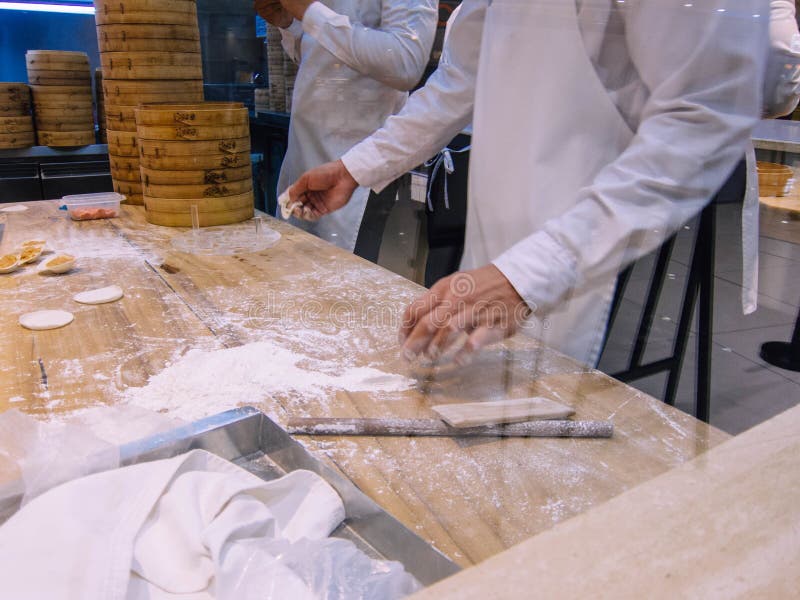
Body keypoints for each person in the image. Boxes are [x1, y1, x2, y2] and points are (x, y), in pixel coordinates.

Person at [285, 0, 769, 367]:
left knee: (550, 411)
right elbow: (457, 83)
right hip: (501, 232)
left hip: (595, 235)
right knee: (485, 398)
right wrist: (356, 167)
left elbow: (705, 116)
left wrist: (531, 273)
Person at [254, 0, 437, 261]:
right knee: (297, 268)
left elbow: (404, 62)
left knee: (344, 276)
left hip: (359, 163)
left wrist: (310, 12)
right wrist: (290, 25)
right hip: (304, 154)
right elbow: (322, 61)